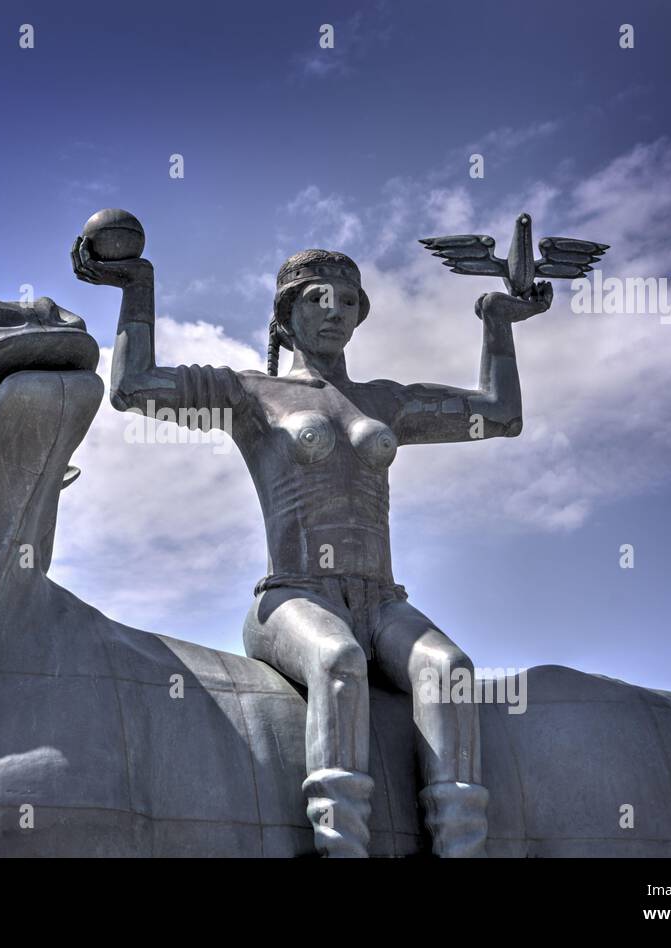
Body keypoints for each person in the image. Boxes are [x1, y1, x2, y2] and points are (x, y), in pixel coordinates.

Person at [72, 237, 551, 857]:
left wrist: (497, 326)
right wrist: (138, 288)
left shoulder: (386, 400)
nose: (336, 311)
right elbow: (135, 387)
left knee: (449, 671)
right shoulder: (251, 395)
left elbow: (500, 414)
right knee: (337, 662)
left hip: (382, 602)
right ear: (286, 313)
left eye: (349, 301)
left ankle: (461, 849)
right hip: (293, 598)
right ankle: (340, 847)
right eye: (319, 298)